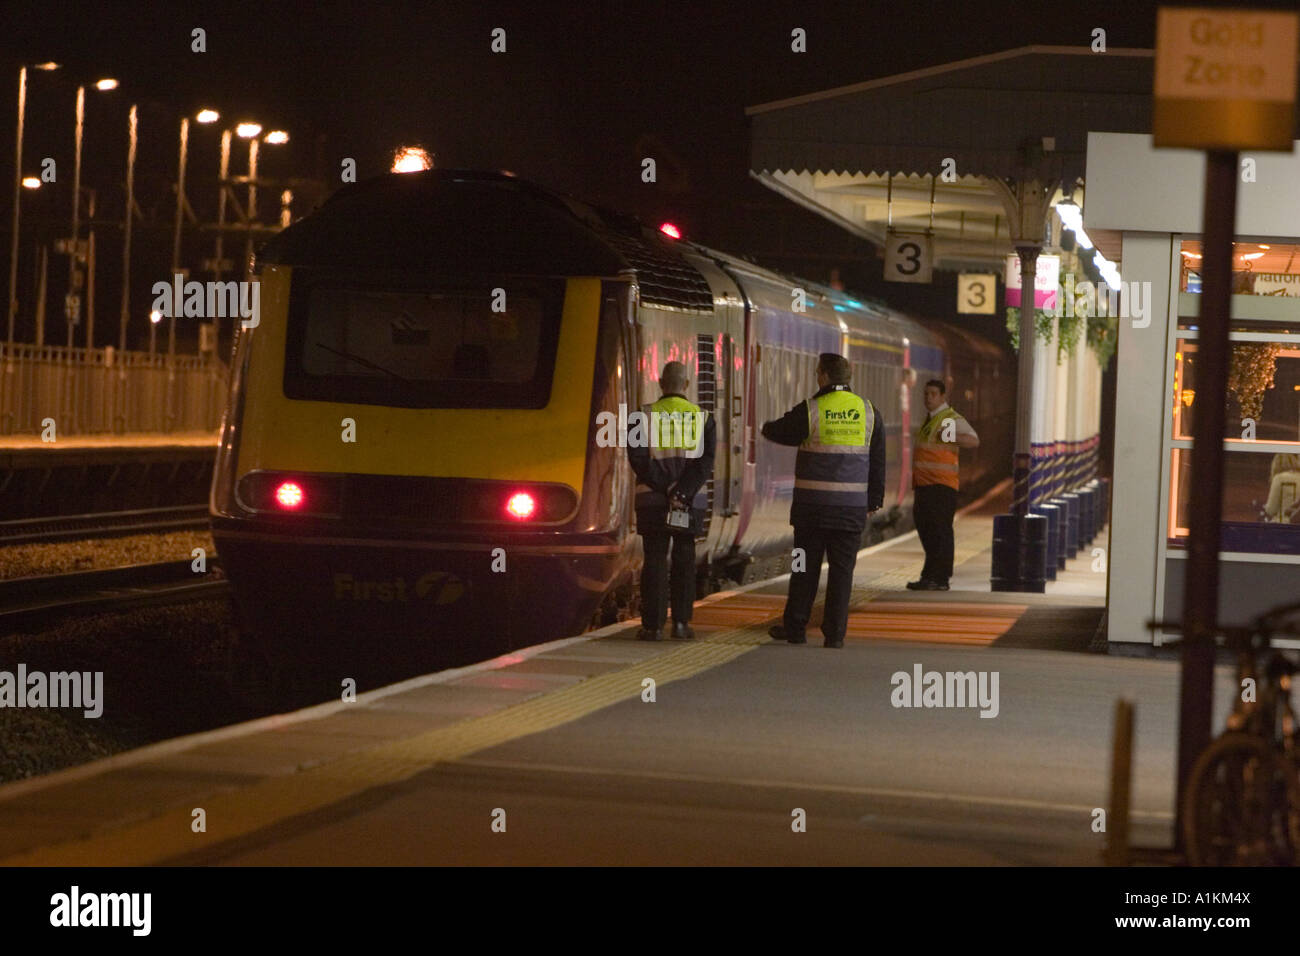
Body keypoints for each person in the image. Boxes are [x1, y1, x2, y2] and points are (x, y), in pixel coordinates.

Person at [762, 353, 885, 648]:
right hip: (850, 512)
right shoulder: (869, 412)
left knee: (804, 568)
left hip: (812, 512)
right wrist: (873, 502)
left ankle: (796, 627)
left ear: (824, 376)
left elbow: (777, 431)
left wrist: (765, 426)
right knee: (842, 573)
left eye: (818, 373)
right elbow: (877, 462)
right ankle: (835, 634)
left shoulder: (811, 410)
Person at [628, 361, 716, 641]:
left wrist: (666, 489)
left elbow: (638, 460)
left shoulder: (640, 416)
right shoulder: (704, 417)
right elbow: (705, 463)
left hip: (652, 501)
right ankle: (680, 624)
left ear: (661, 384)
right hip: (690, 503)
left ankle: (652, 627)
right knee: (684, 559)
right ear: (686, 386)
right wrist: (682, 492)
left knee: (654, 560)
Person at [907, 379, 979, 591]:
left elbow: (973, 440)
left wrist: (952, 436)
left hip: (941, 486)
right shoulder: (930, 419)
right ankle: (929, 575)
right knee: (927, 530)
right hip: (924, 485)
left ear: (942, 396)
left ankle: (940, 578)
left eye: (932, 394)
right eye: (926, 394)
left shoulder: (947, 419)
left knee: (940, 532)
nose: (928, 398)